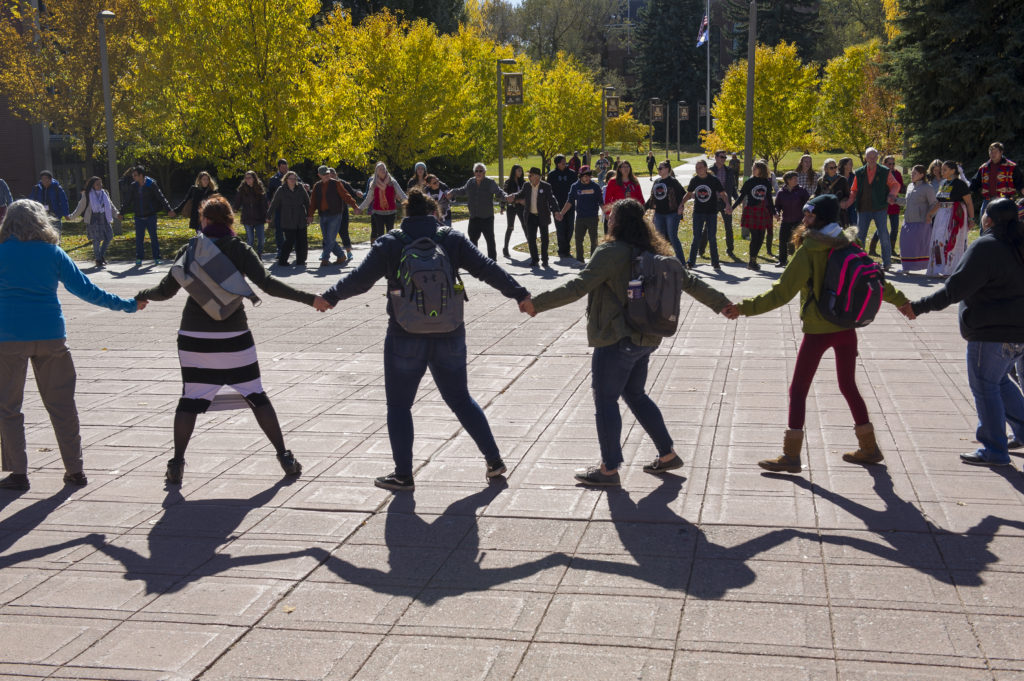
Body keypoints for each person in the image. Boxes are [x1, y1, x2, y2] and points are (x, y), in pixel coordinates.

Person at [317, 189, 531, 490]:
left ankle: (403, 474)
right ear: (434, 214)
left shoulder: (391, 243)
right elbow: (487, 269)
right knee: (460, 399)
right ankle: (494, 460)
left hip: (405, 334)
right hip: (450, 331)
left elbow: (360, 281)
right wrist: (520, 294)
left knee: (400, 405)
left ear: (406, 215)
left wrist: (330, 297)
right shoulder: (452, 240)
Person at [524, 198, 733, 486]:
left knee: (606, 399)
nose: (607, 221)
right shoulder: (653, 250)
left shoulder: (610, 252)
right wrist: (722, 304)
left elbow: (578, 286)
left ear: (617, 223)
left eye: (611, 218)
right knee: (635, 394)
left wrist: (538, 304)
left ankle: (609, 469)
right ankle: (667, 454)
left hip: (616, 338)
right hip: (647, 337)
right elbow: (690, 282)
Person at [135, 195, 325, 485]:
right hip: (234, 335)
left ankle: (176, 464)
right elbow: (268, 285)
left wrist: (141, 296)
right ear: (229, 220)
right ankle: (284, 457)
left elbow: (165, 290)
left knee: (190, 400)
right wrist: (309, 299)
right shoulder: (240, 249)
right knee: (256, 396)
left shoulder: (191, 249)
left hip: (193, 337)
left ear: (205, 220)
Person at [723, 194, 914, 474]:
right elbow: (876, 281)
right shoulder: (851, 243)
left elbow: (781, 293)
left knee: (798, 390)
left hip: (819, 329)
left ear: (822, 217)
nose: (804, 219)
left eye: (810, 215)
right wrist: (902, 302)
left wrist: (743, 309)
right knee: (848, 385)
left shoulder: (810, 249)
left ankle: (791, 456)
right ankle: (870, 448)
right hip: (847, 327)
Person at [0, 200, 143, 491]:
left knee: (8, 408)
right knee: (63, 405)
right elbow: (87, 290)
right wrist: (127, 305)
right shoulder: (53, 253)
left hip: (8, 337)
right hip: (52, 335)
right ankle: (75, 470)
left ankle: (19, 473)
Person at [908, 198, 1024, 466]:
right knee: (1000, 382)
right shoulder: (1017, 244)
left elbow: (954, 289)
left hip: (991, 333)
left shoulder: (987, 246)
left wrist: (918, 307)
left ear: (988, 219)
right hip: (1017, 332)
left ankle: (995, 449)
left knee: (985, 387)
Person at [842, 147, 900, 271]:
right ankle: (859, 262)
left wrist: (892, 195)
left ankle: (887, 263)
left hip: (880, 208)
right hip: (863, 208)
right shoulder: (859, 172)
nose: (872, 159)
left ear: (878, 158)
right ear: (865, 158)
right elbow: (854, 190)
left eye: (874, 157)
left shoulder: (885, 171)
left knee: (884, 235)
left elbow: (895, 185)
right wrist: (848, 203)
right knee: (860, 236)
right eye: (869, 157)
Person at [447, 163, 507, 260]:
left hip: (487, 218)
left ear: (484, 172)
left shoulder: (490, 182)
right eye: (476, 171)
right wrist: (453, 192)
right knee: (472, 241)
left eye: (480, 171)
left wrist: (506, 197)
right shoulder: (471, 182)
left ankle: (492, 262)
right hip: (474, 217)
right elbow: (463, 191)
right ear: (474, 172)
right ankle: (474, 261)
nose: (478, 173)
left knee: (490, 240)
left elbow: (499, 192)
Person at [926, 160, 973, 277]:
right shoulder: (943, 183)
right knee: (938, 241)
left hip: (954, 215)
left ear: (953, 171)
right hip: (941, 215)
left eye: (944, 169)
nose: (942, 172)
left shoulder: (960, 184)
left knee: (952, 241)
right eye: (942, 169)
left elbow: (969, 203)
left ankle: (951, 270)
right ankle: (938, 268)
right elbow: (939, 202)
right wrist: (930, 214)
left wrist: (971, 219)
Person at [680, 160, 730, 269]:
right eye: (696, 168)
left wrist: (727, 204)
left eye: (700, 167)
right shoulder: (694, 180)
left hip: (711, 212)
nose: (698, 170)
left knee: (712, 237)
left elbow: (722, 194)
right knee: (696, 237)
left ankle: (715, 262)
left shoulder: (713, 180)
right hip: (698, 212)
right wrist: (681, 205)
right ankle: (691, 262)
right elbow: (688, 194)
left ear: (706, 168)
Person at [510, 167, 561, 268]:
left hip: (542, 216)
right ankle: (534, 260)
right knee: (531, 239)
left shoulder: (546, 186)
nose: (528, 177)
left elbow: (552, 200)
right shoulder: (526, 185)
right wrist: (513, 196)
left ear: (537, 176)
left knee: (545, 239)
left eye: (530, 175)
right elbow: (520, 194)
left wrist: (556, 211)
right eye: (528, 175)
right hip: (530, 216)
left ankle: (545, 260)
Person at [310, 165, 360, 267]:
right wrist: (310, 215)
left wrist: (354, 206)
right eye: (325, 174)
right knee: (328, 238)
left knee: (329, 238)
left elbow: (346, 195)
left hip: (335, 214)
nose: (328, 175)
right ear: (319, 175)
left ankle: (325, 259)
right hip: (323, 214)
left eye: (328, 173)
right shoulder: (317, 186)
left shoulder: (336, 183)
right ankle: (341, 256)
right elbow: (313, 202)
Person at [122, 165, 173, 266]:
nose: (134, 177)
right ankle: (139, 258)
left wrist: (169, 209)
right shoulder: (133, 186)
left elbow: (161, 197)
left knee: (153, 237)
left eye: (135, 175)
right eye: (133, 175)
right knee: (139, 238)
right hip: (138, 217)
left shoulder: (151, 184)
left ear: (141, 175)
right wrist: (121, 212)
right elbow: (127, 200)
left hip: (150, 216)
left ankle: (157, 258)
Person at [67, 176, 118, 268]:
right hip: (93, 219)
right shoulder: (87, 194)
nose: (100, 186)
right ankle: (98, 259)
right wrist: (71, 217)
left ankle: (100, 255)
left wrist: (117, 214)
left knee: (109, 236)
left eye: (101, 183)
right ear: (93, 186)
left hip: (104, 218)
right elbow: (80, 207)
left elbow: (110, 206)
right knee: (96, 240)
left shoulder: (105, 193)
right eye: (97, 184)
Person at [733, 161, 775, 271]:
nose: (753, 170)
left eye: (755, 168)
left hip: (762, 211)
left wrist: (774, 212)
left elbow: (770, 199)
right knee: (755, 237)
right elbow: (741, 197)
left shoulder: (766, 182)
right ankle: (751, 261)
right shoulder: (750, 182)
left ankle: (753, 260)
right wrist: (731, 208)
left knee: (761, 237)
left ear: (761, 170)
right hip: (752, 211)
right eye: (753, 168)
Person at [899, 165, 938, 273]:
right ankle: (906, 268)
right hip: (908, 221)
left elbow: (934, 204)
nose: (912, 175)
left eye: (914, 173)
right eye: (912, 173)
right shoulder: (910, 186)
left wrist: (929, 215)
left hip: (921, 222)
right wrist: (895, 200)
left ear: (921, 175)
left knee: (921, 246)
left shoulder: (927, 188)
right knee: (905, 244)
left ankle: (929, 268)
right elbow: (907, 202)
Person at [970, 142, 1023, 219]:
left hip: (1005, 200)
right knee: (984, 225)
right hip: (988, 200)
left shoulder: (1011, 166)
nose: (992, 154)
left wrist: (1022, 189)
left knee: (1005, 223)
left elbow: (1019, 182)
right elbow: (975, 183)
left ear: (1001, 152)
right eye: (990, 152)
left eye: (995, 152)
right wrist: (966, 189)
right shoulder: (983, 168)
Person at [560, 166, 602, 262]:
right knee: (578, 240)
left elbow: (601, 202)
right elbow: (569, 202)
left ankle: (593, 261)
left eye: (589, 176)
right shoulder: (575, 186)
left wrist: (607, 214)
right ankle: (580, 260)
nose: (587, 178)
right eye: (584, 176)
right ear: (580, 176)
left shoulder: (595, 187)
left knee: (594, 240)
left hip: (592, 217)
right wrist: (561, 213)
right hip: (580, 218)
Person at [268, 171, 311, 267]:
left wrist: (309, 215)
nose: (292, 181)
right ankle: (283, 260)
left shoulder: (300, 188)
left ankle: (301, 260)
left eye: (294, 179)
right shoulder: (281, 189)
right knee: (289, 241)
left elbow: (307, 202)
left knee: (302, 241)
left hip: (300, 218)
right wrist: (268, 215)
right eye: (290, 179)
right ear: (286, 179)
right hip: (288, 219)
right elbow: (274, 204)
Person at [359, 162, 406, 243]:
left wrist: (410, 202)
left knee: (390, 233)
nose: (382, 170)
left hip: (391, 211)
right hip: (378, 212)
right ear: (376, 172)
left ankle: (390, 251)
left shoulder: (392, 182)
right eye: (380, 169)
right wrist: (360, 208)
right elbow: (368, 199)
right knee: (380, 234)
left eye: (384, 168)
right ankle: (382, 252)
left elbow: (401, 194)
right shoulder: (373, 183)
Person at [870, 155, 905, 257]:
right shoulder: (879, 173)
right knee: (881, 227)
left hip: (894, 204)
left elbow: (900, 187)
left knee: (894, 228)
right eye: (889, 163)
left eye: (893, 163)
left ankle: (891, 250)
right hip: (882, 204)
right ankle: (872, 249)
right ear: (884, 164)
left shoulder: (897, 174)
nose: (892, 165)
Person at [773, 171, 810, 267]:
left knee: (798, 241)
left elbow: (809, 203)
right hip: (786, 220)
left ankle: (798, 261)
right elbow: (777, 206)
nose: (796, 180)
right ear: (788, 180)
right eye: (794, 179)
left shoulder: (802, 191)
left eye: (797, 178)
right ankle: (782, 260)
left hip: (799, 220)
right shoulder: (781, 193)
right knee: (783, 241)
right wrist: (776, 213)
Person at [547, 154, 579, 260]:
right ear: (557, 163)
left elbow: (576, 188)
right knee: (560, 229)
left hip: (569, 206)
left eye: (565, 161)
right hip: (557, 207)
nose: (564, 164)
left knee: (570, 228)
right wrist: (551, 206)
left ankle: (567, 248)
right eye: (562, 162)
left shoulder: (572, 174)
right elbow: (549, 192)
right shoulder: (552, 175)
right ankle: (562, 250)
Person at [330, 168, 364, 263]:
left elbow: (352, 191)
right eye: (330, 174)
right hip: (331, 213)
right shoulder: (325, 184)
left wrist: (357, 192)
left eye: (333, 173)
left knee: (344, 232)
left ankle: (348, 252)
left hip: (343, 211)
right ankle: (326, 253)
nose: (332, 175)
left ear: (336, 174)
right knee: (329, 233)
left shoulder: (342, 183)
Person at [711, 150, 740, 258]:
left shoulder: (729, 171)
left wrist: (736, 199)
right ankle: (701, 249)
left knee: (728, 226)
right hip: (713, 202)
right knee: (708, 227)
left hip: (726, 202)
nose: (723, 159)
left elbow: (732, 187)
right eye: (722, 157)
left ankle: (730, 249)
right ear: (716, 157)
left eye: (725, 157)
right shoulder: (710, 170)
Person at [233, 171, 268, 256]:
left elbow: (264, 204)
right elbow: (238, 202)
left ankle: (259, 254)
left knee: (261, 239)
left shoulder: (260, 188)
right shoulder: (242, 189)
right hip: (247, 218)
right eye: (246, 178)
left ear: (254, 178)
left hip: (259, 218)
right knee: (250, 240)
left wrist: (267, 215)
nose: (247, 180)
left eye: (249, 178)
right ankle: (250, 257)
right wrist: (234, 210)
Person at [28, 171, 70, 236]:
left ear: (50, 179)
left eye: (46, 179)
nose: (44, 181)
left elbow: (63, 201)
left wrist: (66, 214)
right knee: (45, 235)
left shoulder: (57, 188)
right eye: (42, 179)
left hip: (55, 215)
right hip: (42, 216)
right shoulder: (37, 188)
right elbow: (31, 201)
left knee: (56, 234)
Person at [813, 159, 850, 226]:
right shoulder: (821, 181)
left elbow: (847, 195)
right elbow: (816, 194)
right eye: (831, 168)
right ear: (826, 169)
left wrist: (844, 201)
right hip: (824, 211)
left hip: (839, 211)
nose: (834, 169)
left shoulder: (842, 180)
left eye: (835, 167)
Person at [502, 164, 526, 258]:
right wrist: (502, 207)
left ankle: (532, 248)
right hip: (511, 207)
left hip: (521, 208)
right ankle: (505, 248)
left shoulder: (523, 182)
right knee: (510, 227)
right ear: (514, 171)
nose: (520, 172)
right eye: (518, 170)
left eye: (521, 171)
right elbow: (504, 195)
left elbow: (525, 194)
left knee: (525, 226)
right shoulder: (508, 182)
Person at [266, 159, 289, 256]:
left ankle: (289, 249)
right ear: (279, 167)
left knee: (290, 229)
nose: (285, 169)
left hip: (290, 208)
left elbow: (300, 184)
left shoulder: (292, 176)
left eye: (286, 167)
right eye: (283, 168)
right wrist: (269, 206)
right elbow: (269, 194)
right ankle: (280, 250)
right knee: (279, 230)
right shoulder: (274, 179)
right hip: (278, 208)